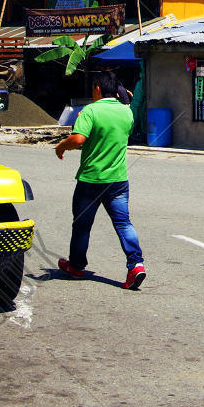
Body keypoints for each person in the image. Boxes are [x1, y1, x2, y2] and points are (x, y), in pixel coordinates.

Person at [54, 68, 146, 289]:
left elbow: (78, 139)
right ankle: (136, 264)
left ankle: (76, 266)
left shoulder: (90, 111)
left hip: (91, 180)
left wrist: (60, 146)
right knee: (123, 223)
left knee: (82, 226)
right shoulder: (127, 113)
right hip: (118, 181)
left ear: (96, 88)